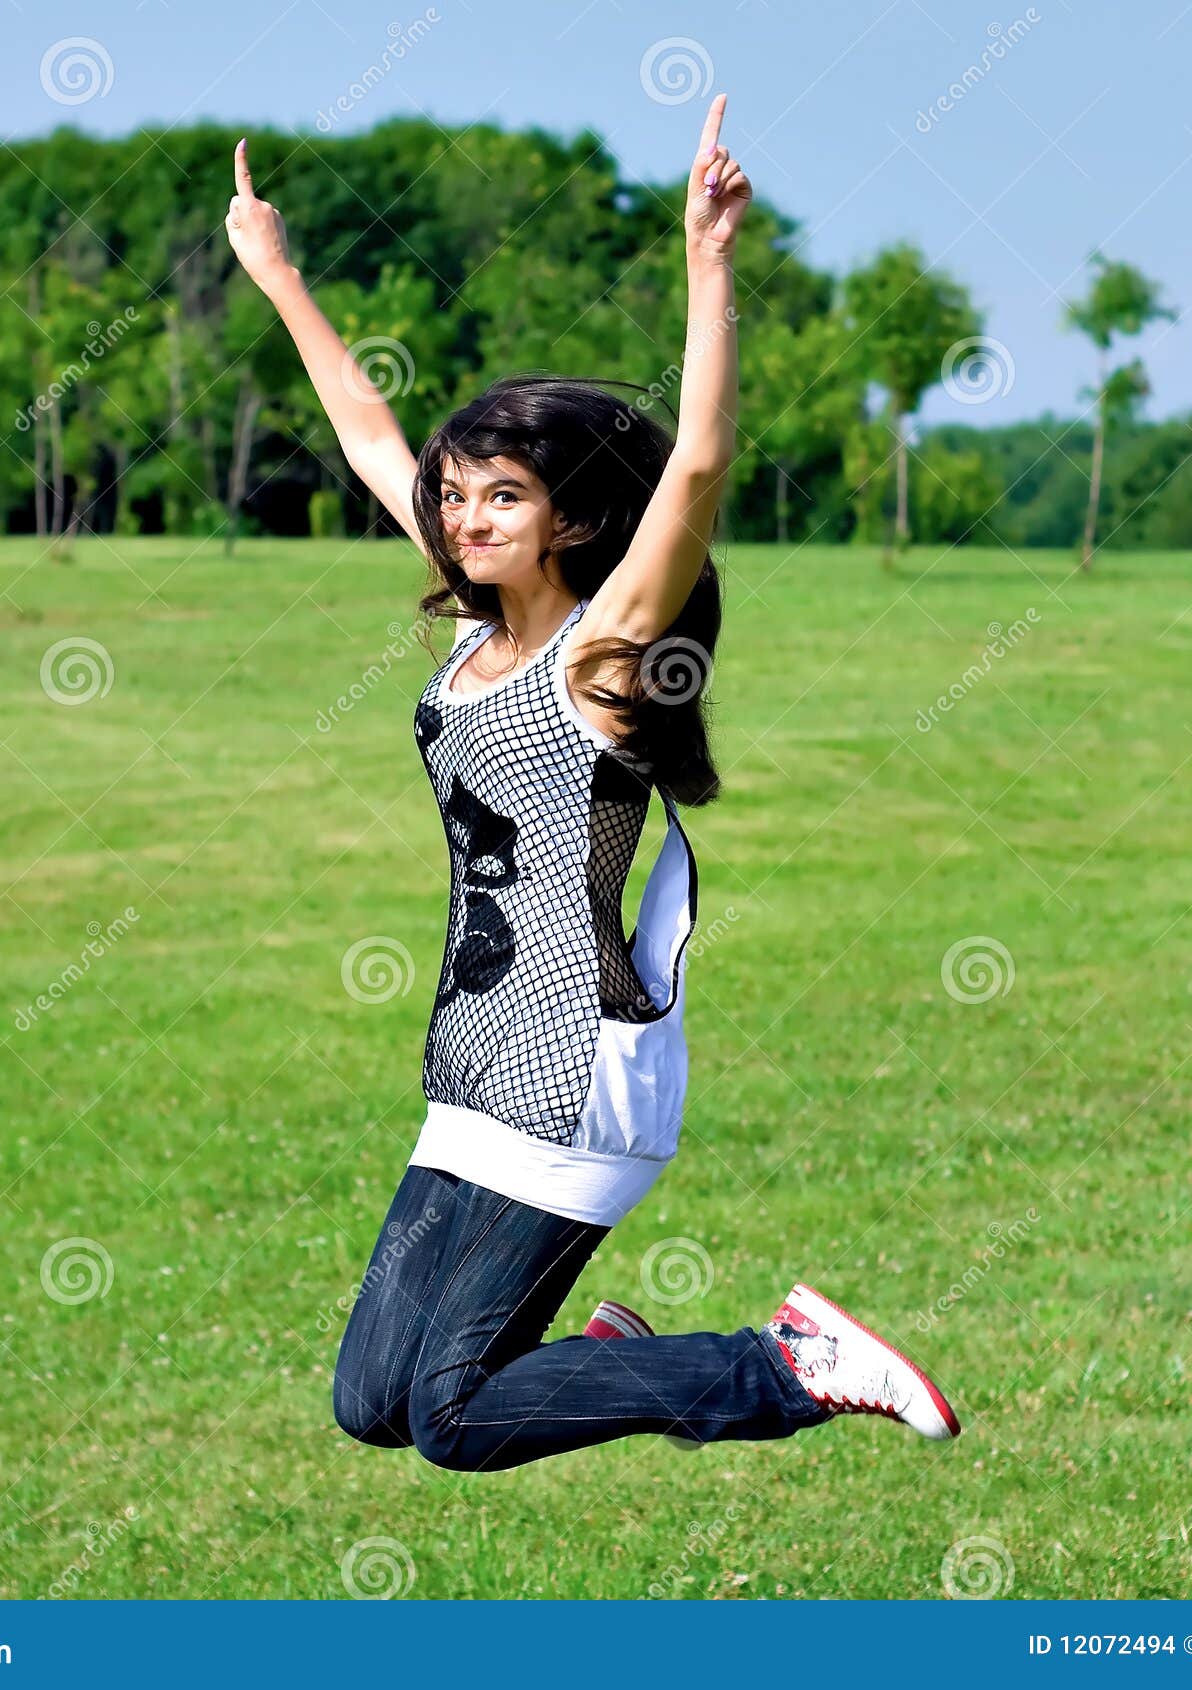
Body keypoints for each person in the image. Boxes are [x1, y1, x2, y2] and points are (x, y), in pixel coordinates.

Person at [225, 94, 961, 1472]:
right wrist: (278, 274)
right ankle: (618, 1363)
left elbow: (700, 463)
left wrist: (709, 259)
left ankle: (781, 1362)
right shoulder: (477, 634)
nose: (464, 516)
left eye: (501, 496)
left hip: (579, 1068)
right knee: (372, 1402)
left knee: (452, 1420)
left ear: (568, 517)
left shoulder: (601, 657)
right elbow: (373, 435)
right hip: (473, 1055)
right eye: (457, 496)